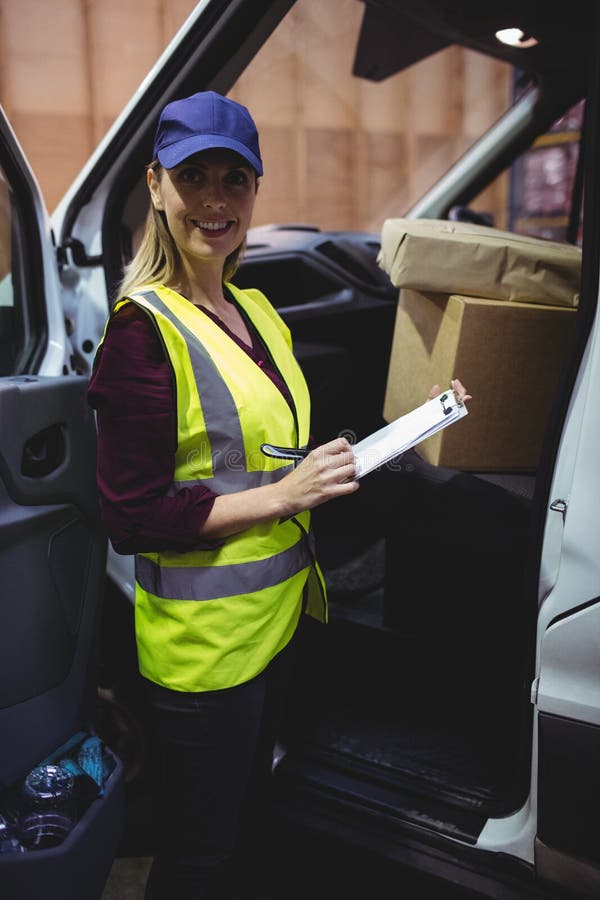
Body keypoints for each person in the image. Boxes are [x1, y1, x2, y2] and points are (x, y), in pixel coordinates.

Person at [87, 90, 471, 899]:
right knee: (203, 854)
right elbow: (132, 515)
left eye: (235, 178)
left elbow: (267, 453)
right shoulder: (140, 333)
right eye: (194, 177)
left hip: (281, 620)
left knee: (252, 823)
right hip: (206, 655)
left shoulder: (255, 309)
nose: (216, 200)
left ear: (255, 190)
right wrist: (288, 496)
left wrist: (417, 420)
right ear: (155, 185)